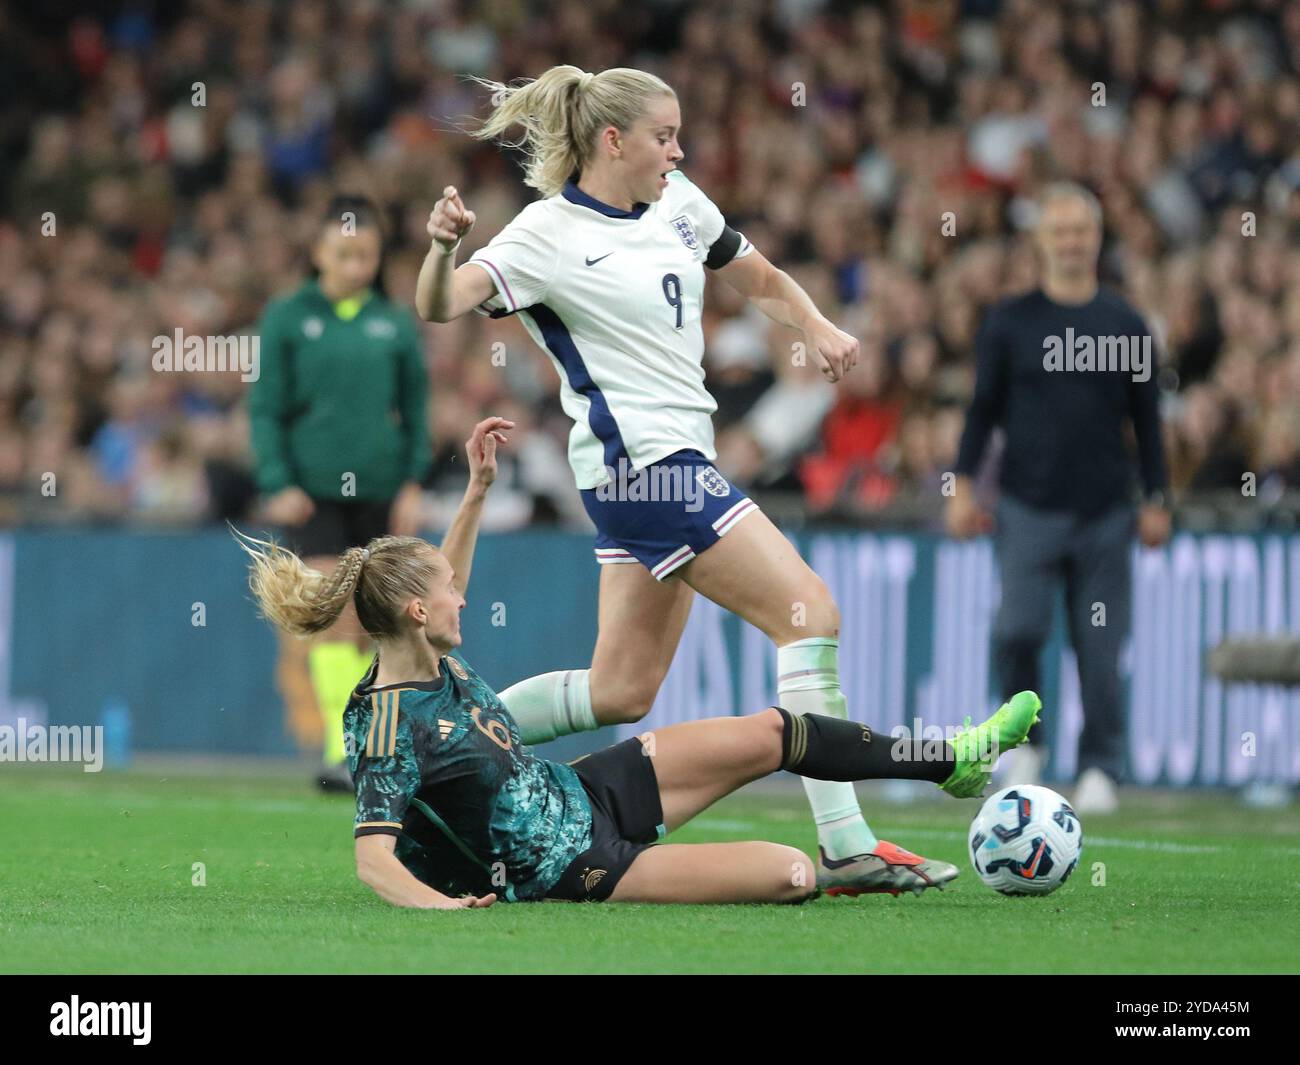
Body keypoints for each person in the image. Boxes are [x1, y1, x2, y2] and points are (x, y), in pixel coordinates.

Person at [412, 63, 954, 896]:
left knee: (619, 689)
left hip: (672, 464)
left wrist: (816, 323)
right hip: (646, 471)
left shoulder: (678, 204)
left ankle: (442, 741)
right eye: (664, 135)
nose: (679, 148)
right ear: (613, 139)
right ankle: (847, 841)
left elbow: (758, 277)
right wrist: (443, 244)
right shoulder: (546, 232)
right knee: (809, 611)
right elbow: (442, 303)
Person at [237, 416, 1043, 907]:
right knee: (794, 873)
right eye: (449, 592)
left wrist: (478, 490)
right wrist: (441, 909)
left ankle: (953, 761)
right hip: (580, 865)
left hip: (589, 790)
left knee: (777, 730)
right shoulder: (381, 720)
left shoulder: (430, 657)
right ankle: (838, 862)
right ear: (416, 612)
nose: (463, 596)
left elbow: (444, 574)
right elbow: (372, 856)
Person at [945, 183, 1172, 814]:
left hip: (1105, 511)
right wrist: (961, 486)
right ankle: (1028, 747)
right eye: (1060, 231)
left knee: (1099, 647)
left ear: (1096, 239)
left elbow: (1148, 423)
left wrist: (1157, 498)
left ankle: (1101, 766)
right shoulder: (1010, 322)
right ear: (1041, 241)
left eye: (1082, 231)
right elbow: (981, 411)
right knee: (1017, 629)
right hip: (1026, 506)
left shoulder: (1126, 324)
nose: (1072, 242)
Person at [249, 194, 431, 791]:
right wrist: (278, 480)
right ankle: (341, 745)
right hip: (316, 494)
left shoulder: (395, 322)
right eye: (345, 253)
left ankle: (377, 744)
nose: (356, 265)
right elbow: (266, 408)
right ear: (319, 252)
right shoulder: (287, 316)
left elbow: (417, 412)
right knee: (332, 617)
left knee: (381, 622)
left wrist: (412, 481)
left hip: (381, 492)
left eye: (367, 255)